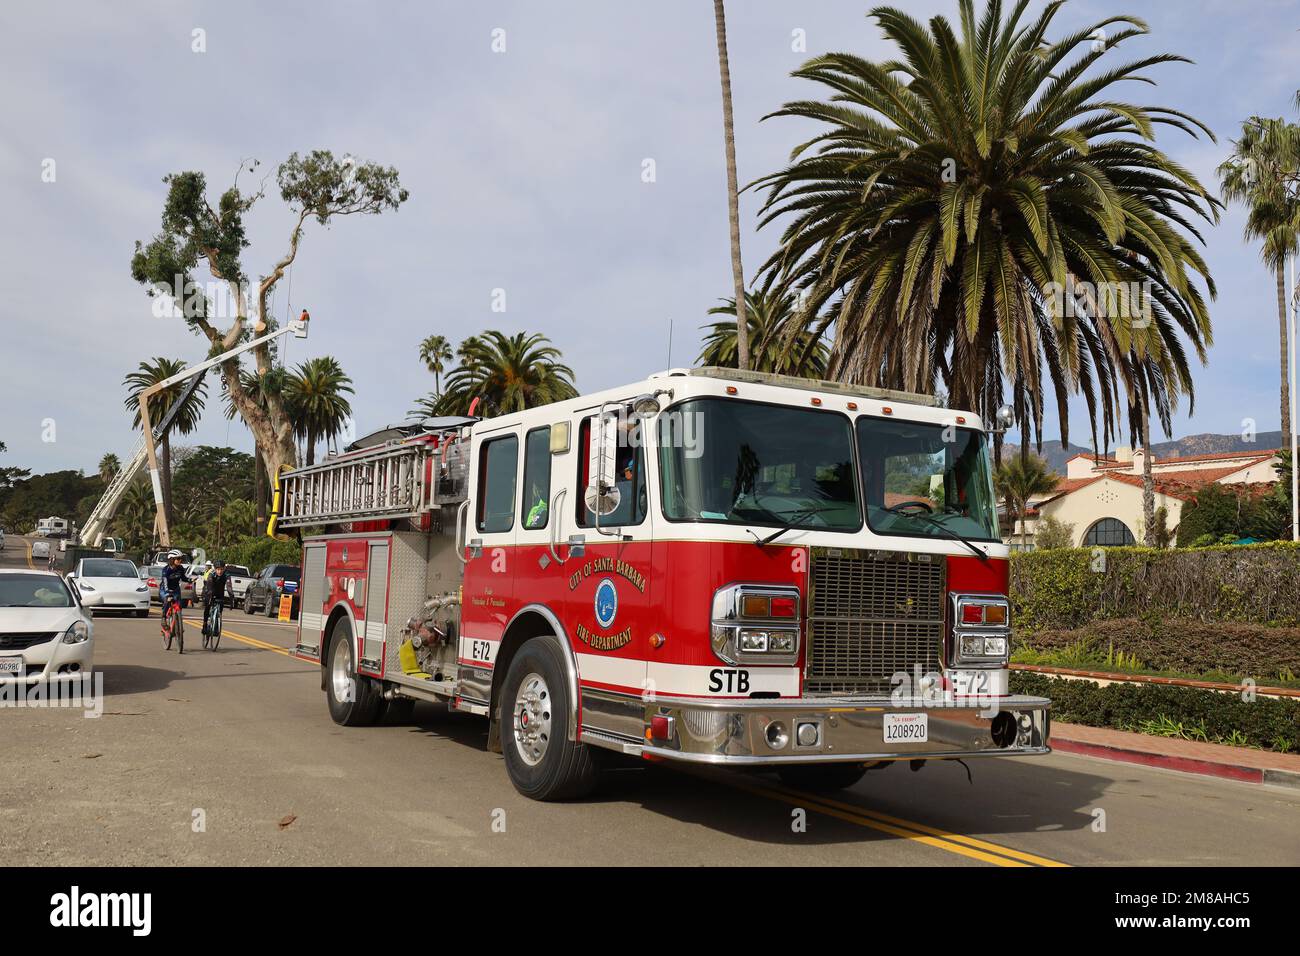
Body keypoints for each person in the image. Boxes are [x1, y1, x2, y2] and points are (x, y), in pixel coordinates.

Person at [158, 551, 191, 651]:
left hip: (176, 590)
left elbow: (183, 577)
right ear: (172, 559)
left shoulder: (180, 568)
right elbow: (165, 582)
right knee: (168, 601)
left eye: (181, 559)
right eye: (178, 559)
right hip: (165, 589)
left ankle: (178, 625)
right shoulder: (166, 570)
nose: (180, 561)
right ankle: (164, 619)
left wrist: (189, 580)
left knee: (178, 607)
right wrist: (168, 593)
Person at [201, 559, 233, 637]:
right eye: (218, 569)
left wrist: (232, 598)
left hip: (220, 593)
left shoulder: (227, 574)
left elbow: (229, 587)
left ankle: (216, 625)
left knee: (220, 608)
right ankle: (205, 624)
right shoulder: (211, 574)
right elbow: (209, 585)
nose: (220, 571)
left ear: (224, 568)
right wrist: (209, 596)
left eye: (221, 569)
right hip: (210, 591)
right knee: (208, 607)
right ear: (215, 569)